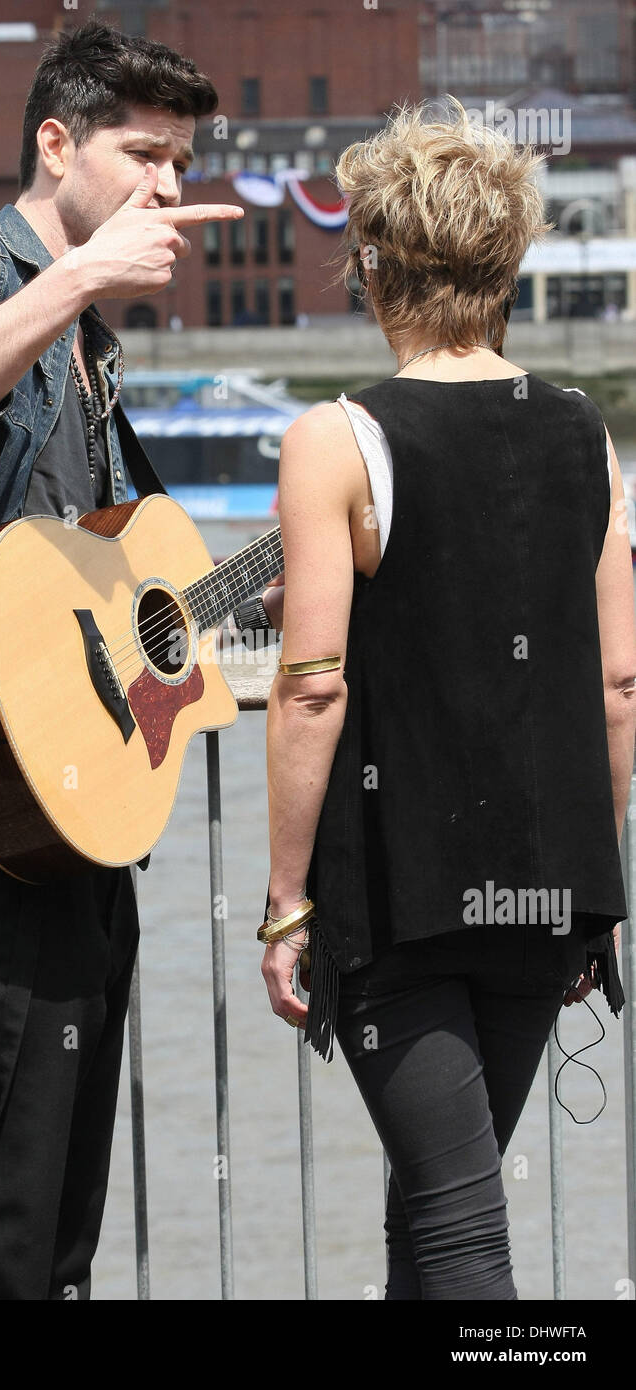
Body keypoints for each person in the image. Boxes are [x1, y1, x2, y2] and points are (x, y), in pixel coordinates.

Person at [0, 20, 245, 1300]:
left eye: (181, 164)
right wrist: (73, 279)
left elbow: (105, 627)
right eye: (143, 156)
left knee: (60, 1227)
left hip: (63, 813)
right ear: (55, 143)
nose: (167, 192)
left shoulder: (94, 362)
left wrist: (190, 650)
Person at [259, 100, 636, 1300]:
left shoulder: (339, 440)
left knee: (460, 1235)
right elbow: (618, 685)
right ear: (508, 265)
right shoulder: (585, 435)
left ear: (371, 264)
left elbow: (311, 689)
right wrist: (592, 885)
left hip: (403, 897)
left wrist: (280, 903)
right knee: (425, 1224)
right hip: (543, 898)